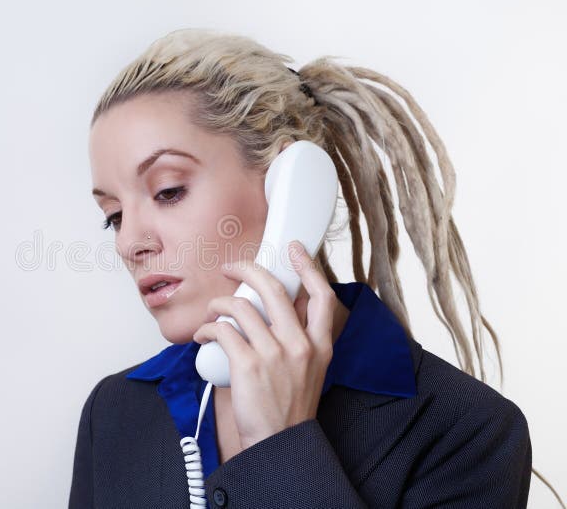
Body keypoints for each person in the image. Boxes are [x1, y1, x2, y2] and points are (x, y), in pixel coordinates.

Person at [69, 28, 562, 508]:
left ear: (290, 183)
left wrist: (281, 443)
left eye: (168, 191)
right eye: (113, 216)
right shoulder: (113, 414)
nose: (130, 242)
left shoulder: (466, 433)